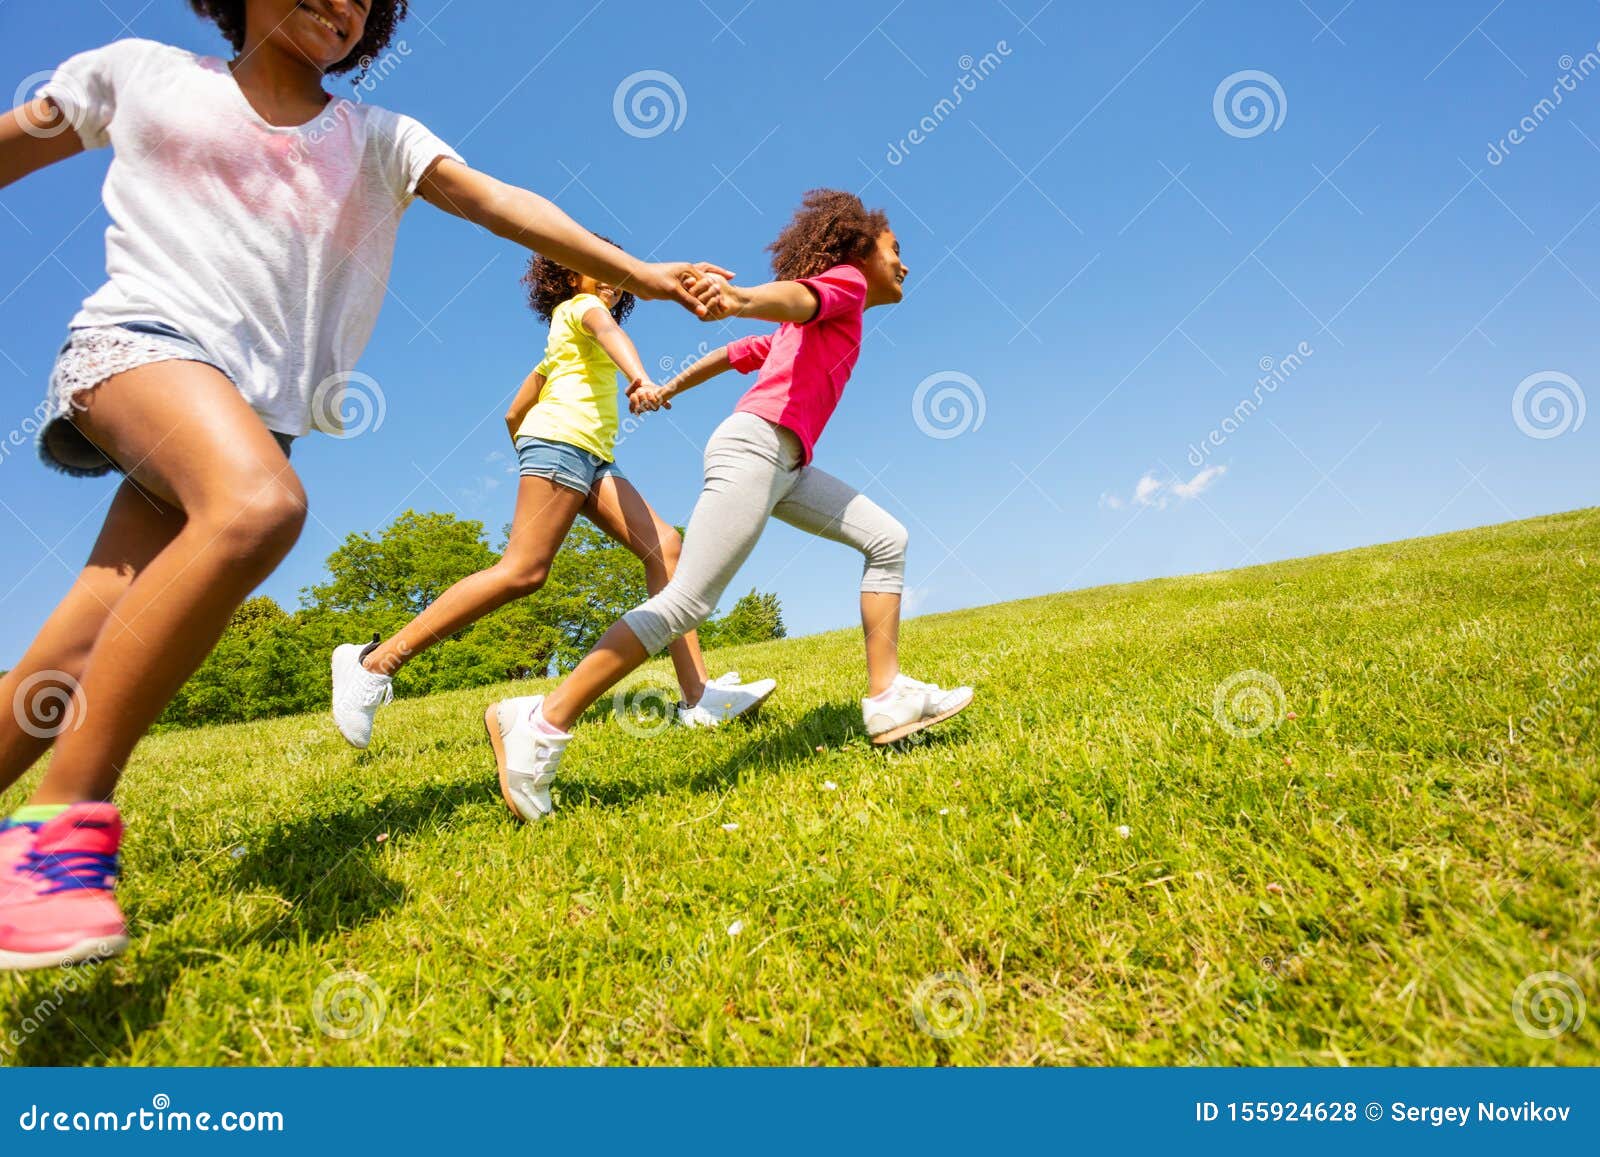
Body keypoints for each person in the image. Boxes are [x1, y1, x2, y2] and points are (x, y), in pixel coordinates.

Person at [0, 0, 726, 970]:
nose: (345, 3)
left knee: (92, 624)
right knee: (258, 507)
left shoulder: (377, 138)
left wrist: (638, 269)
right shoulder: (142, 73)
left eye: (368, 0)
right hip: (134, 352)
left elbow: (502, 201)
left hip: (253, 415)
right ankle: (58, 828)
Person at [484, 190, 974, 826]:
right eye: (896, 250)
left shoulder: (800, 334)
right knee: (686, 600)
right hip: (756, 449)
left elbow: (728, 355)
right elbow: (803, 295)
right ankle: (541, 723)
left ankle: (888, 696)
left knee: (887, 540)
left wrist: (664, 385)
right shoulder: (844, 286)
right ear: (859, 251)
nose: (905, 264)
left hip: (785, 464)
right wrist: (740, 299)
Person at [331, 248, 775, 750]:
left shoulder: (558, 343)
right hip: (565, 450)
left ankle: (697, 698)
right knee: (523, 572)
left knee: (665, 548)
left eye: (619, 276)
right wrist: (637, 380)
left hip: (590, 459)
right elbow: (611, 334)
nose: (613, 282)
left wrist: (534, 446)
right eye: (602, 271)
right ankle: (372, 665)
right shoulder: (582, 311)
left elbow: (513, 414)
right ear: (569, 276)